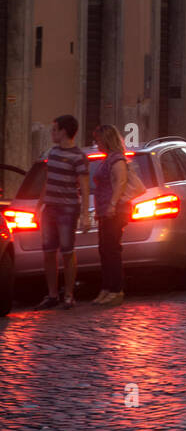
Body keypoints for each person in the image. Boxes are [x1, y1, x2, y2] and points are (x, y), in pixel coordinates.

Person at [34, 114, 90, 310]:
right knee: (48, 252)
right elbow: (48, 180)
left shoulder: (78, 157)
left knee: (67, 251)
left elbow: (84, 187)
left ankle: (68, 294)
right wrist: (39, 205)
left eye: (54, 130)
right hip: (50, 207)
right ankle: (51, 294)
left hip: (68, 208)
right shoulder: (53, 152)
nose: (52, 133)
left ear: (64, 131)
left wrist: (85, 215)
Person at [91, 124, 132, 307]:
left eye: (98, 139)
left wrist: (112, 205)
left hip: (114, 211)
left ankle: (116, 290)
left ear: (106, 139)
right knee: (105, 250)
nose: (96, 143)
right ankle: (106, 288)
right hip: (105, 211)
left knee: (112, 251)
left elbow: (121, 181)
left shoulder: (117, 160)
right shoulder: (108, 159)